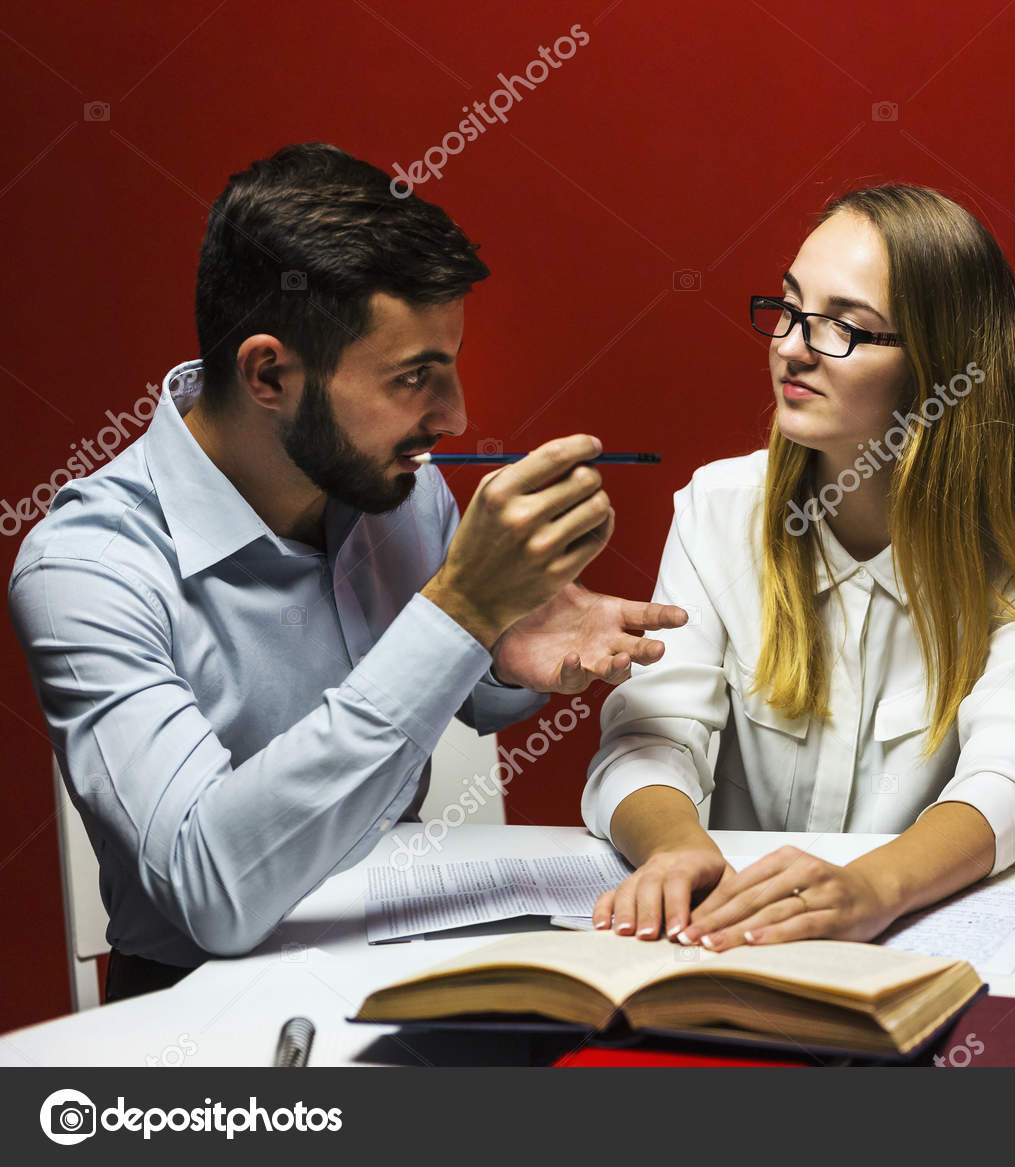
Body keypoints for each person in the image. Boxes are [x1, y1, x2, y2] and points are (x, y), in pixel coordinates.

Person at [9, 143, 685, 1000]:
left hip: (404, 967)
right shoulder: (90, 568)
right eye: (413, 379)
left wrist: (502, 655)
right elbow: (211, 887)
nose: (455, 416)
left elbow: (451, 686)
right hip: (196, 1015)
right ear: (268, 373)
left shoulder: (399, 491)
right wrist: (460, 611)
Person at [584, 184, 1015, 951]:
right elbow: (651, 736)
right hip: (721, 939)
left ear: (940, 368)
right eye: (791, 310)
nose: (791, 345)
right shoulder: (719, 509)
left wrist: (871, 889)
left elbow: (1014, 776)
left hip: (910, 951)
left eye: (843, 327)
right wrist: (674, 844)